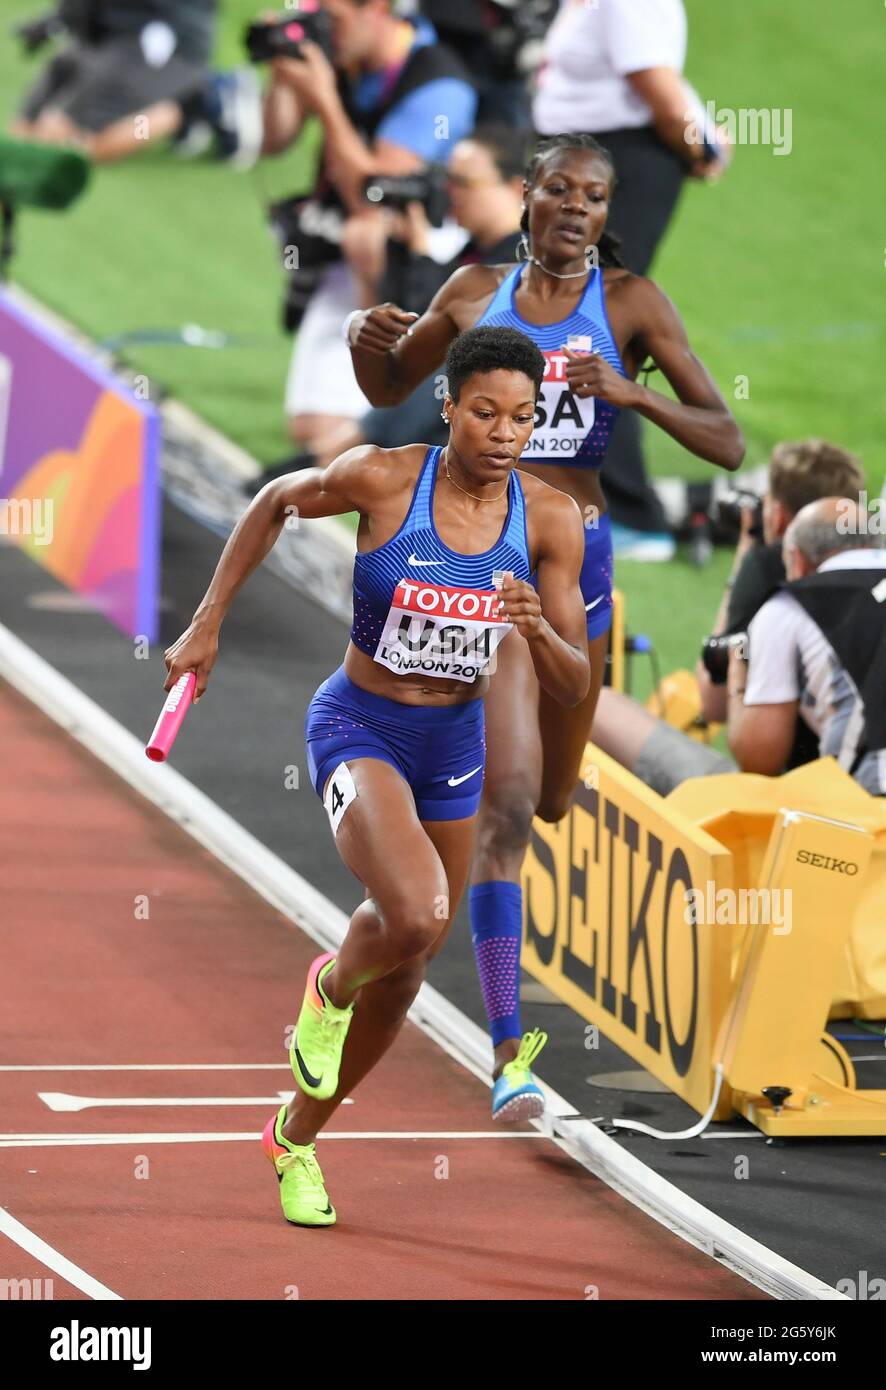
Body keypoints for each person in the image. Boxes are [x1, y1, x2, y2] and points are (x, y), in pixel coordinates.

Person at [348, 131, 744, 1119]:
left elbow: (729, 443)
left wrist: (632, 393)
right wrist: (369, 352)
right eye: (557, 188)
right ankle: (505, 1053)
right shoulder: (474, 292)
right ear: (524, 196)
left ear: (609, 212)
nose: (575, 207)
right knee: (512, 803)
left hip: (583, 563)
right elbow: (393, 390)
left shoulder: (633, 306)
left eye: (595, 195)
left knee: (558, 795)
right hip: (495, 561)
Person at [162, 325, 590, 1225]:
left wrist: (540, 629)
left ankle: (295, 1137)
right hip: (361, 724)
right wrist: (207, 623)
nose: (504, 432)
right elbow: (276, 499)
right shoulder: (385, 478)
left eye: (522, 417)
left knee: (409, 958)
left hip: (455, 747)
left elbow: (574, 680)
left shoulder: (549, 520)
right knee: (421, 911)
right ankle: (325, 987)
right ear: (449, 405)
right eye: (484, 412)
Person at [533, 0, 730, 560]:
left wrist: (703, 148)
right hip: (590, 160)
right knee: (578, 318)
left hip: (619, 165)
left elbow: (662, 94)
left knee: (595, 321)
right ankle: (591, 495)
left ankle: (625, 511)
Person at [259, 0, 477, 456]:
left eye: (333, 18)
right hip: (344, 251)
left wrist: (323, 98)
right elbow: (273, 140)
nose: (325, 29)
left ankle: (399, 373)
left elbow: (372, 195)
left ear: (376, 9)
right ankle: (370, 397)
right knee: (310, 427)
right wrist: (282, 71)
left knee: (367, 232)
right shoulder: (341, 55)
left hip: (421, 256)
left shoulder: (438, 85)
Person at [294, 125, 527, 476]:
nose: (452, 195)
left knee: (446, 376)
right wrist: (402, 247)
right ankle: (335, 458)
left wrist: (421, 254)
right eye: (448, 181)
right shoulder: (476, 249)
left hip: (479, 416)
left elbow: (445, 336)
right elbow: (407, 319)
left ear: (515, 188)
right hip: (436, 408)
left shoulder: (521, 261)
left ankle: (336, 458)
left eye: (464, 183)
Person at [697, 440, 866, 729]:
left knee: (611, 706)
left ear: (778, 516)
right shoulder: (871, 570)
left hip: (814, 769)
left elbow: (713, 703)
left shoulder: (769, 571)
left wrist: (746, 552)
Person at [727, 498, 886, 795]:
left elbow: (760, 759)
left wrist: (738, 676)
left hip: (870, 808)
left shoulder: (789, 607)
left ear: (797, 560)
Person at [10, 0, 224, 163]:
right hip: (110, 33)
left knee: (68, 144)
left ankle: (187, 107)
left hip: (162, 46)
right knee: (25, 128)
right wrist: (55, 22)